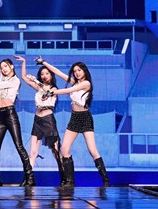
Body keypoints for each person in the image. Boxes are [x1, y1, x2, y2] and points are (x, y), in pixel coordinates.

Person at [36, 57, 110, 187]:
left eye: (79, 70)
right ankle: (70, 182)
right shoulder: (75, 82)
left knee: (93, 151)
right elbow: (58, 72)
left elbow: (68, 91)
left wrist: (52, 92)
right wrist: (44, 62)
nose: (77, 73)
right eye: (75, 71)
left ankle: (106, 181)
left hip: (85, 118)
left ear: (84, 71)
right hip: (74, 118)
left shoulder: (86, 84)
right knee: (64, 149)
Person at [0, 44, 35, 187]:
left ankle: (30, 177)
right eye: (2, 67)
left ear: (11, 66)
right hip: (0, 116)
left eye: (6, 66)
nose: (3, 69)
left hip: (10, 114)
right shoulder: (2, 78)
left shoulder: (15, 81)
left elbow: (0, 86)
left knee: (19, 145)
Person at [14, 56, 66, 186]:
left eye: (47, 73)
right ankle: (28, 179)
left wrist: (36, 81)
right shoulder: (39, 87)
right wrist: (24, 62)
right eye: (42, 74)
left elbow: (46, 93)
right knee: (32, 152)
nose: (44, 76)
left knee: (56, 151)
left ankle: (65, 179)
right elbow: (24, 77)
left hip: (48, 120)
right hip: (37, 120)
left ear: (51, 75)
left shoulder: (54, 89)